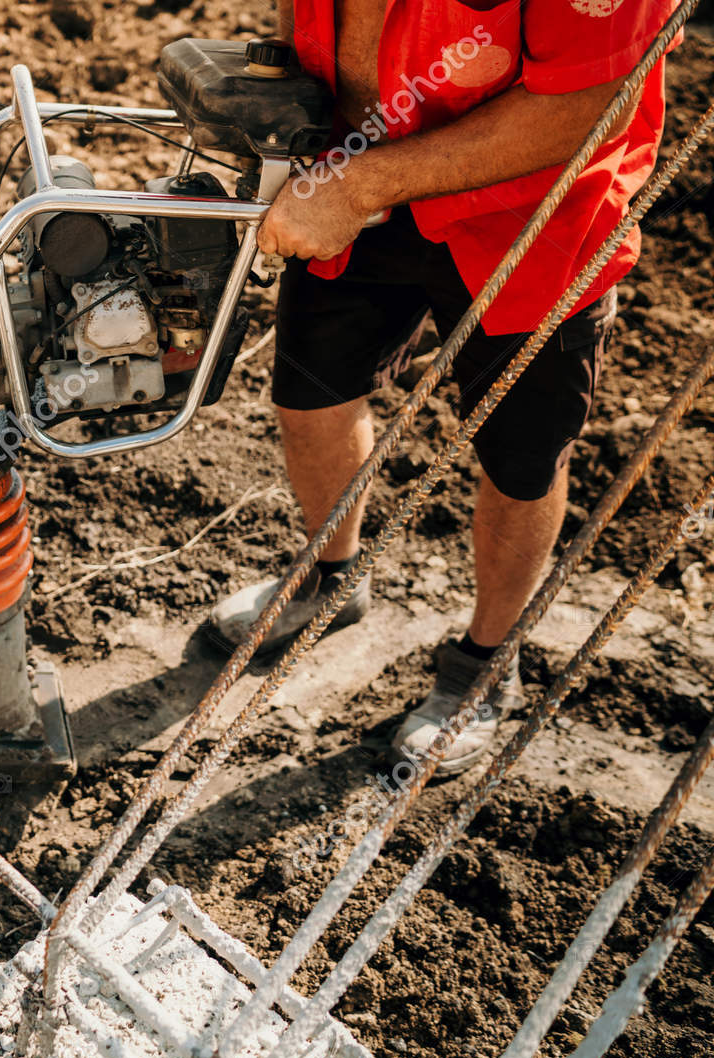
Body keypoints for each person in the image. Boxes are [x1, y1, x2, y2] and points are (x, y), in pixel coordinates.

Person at [208, 0, 683, 773]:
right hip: (348, 160)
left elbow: (582, 105)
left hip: (534, 208)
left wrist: (362, 185)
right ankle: (330, 580)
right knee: (310, 393)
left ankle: (486, 662)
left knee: (520, 457)